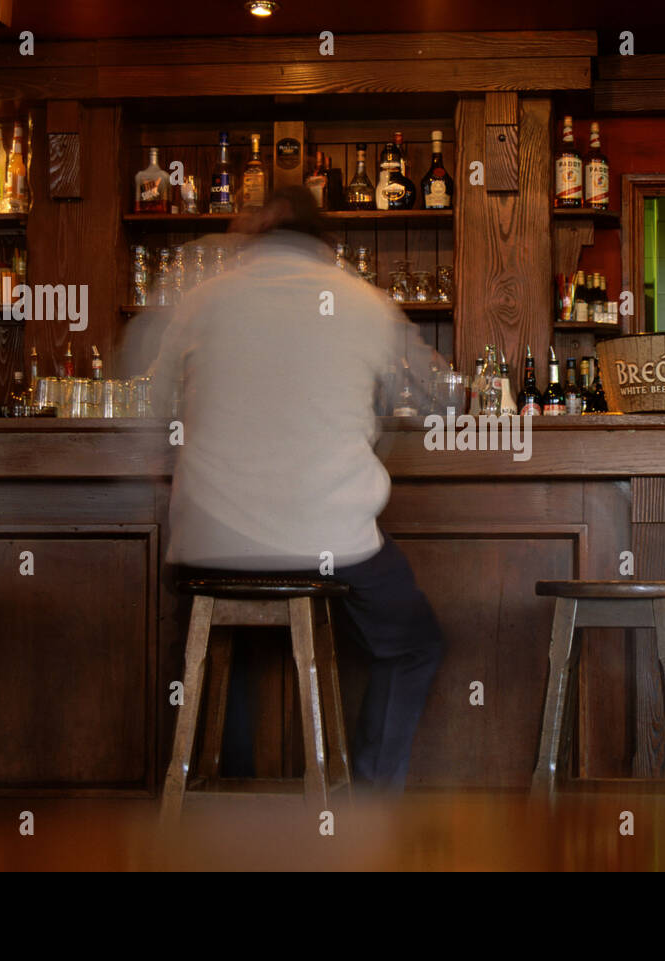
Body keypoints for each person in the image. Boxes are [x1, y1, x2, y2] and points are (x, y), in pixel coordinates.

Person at [144, 187, 446, 792]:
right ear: (325, 242)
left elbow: (150, 407)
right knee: (414, 644)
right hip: (329, 536)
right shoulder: (367, 302)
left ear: (254, 236)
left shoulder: (202, 296)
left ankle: (228, 810)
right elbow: (438, 397)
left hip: (208, 543)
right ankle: (369, 807)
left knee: (227, 649)